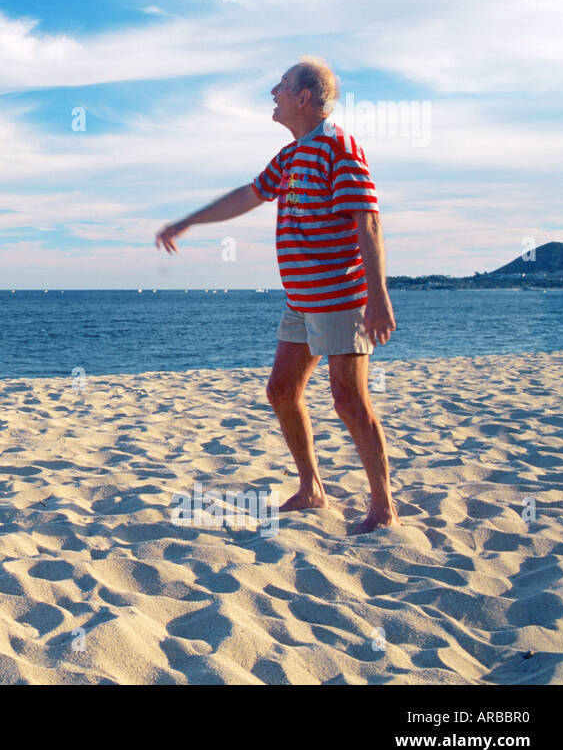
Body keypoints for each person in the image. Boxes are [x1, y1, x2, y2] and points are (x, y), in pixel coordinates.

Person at [154, 58, 400, 534]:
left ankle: (384, 506)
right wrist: (189, 221)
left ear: (303, 96)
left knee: (349, 401)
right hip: (301, 302)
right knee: (281, 391)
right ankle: (312, 489)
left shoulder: (339, 148)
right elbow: (248, 195)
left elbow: (367, 220)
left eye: (282, 85)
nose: (273, 91)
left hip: (341, 299)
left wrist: (378, 296)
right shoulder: (289, 158)